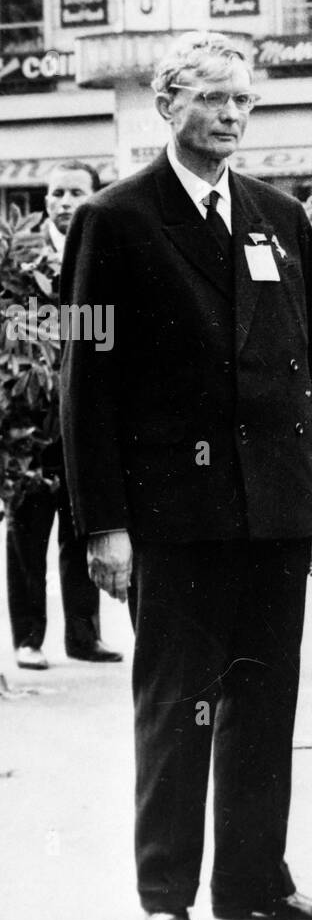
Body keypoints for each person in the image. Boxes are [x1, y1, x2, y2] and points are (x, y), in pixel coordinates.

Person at [60, 31, 312, 920]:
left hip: (271, 505)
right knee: (178, 702)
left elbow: (310, 367)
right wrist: (103, 522)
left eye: (244, 102)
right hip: (171, 517)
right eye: (215, 100)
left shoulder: (280, 219)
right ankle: (165, 891)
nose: (232, 116)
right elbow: (84, 375)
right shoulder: (111, 220)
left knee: (265, 698)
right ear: (168, 107)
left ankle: (254, 879)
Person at [6, 161, 121, 670]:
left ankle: (83, 636)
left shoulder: (108, 247)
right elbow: (13, 323)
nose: (65, 201)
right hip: (30, 417)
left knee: (82, 528)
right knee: (27, 531)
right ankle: (28, 638)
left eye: (76, 191)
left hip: (88, 414)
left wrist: (55, 323)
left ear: (93, 195)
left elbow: (110, 331)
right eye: (56, 193)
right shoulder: (18, 258)